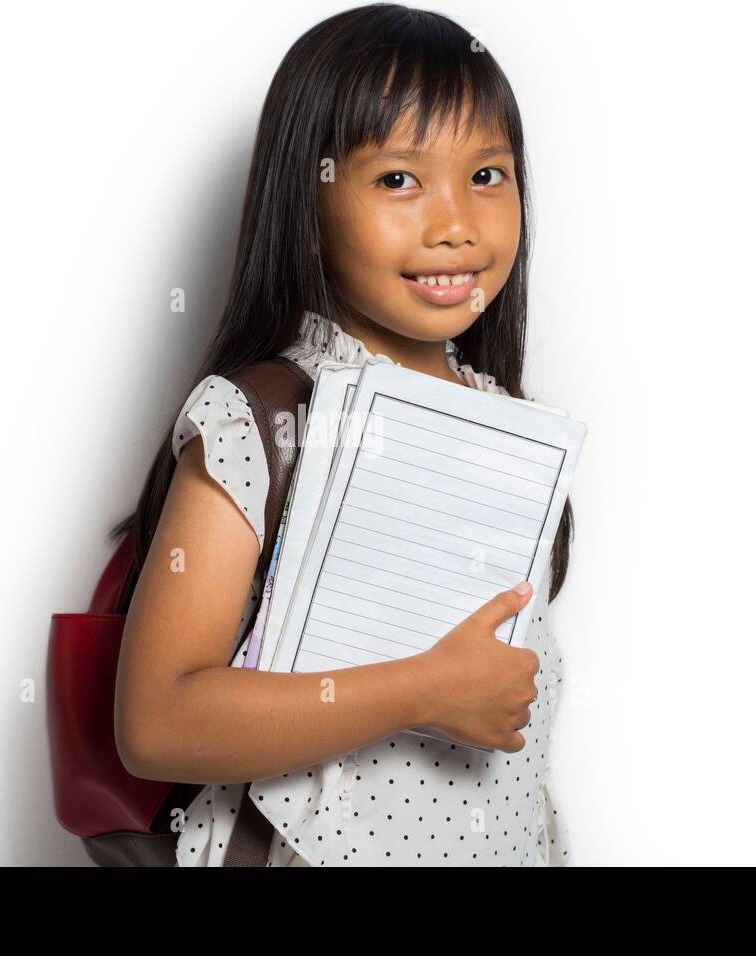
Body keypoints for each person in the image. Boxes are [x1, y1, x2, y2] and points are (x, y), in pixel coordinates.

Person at [112, 3, 575, 867]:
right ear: (310, 197)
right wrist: (423, 691)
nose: (455, 224)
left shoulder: (514, 432)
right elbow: (157, 723)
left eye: (487, 175)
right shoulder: (262, 424)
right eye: (399, 179)